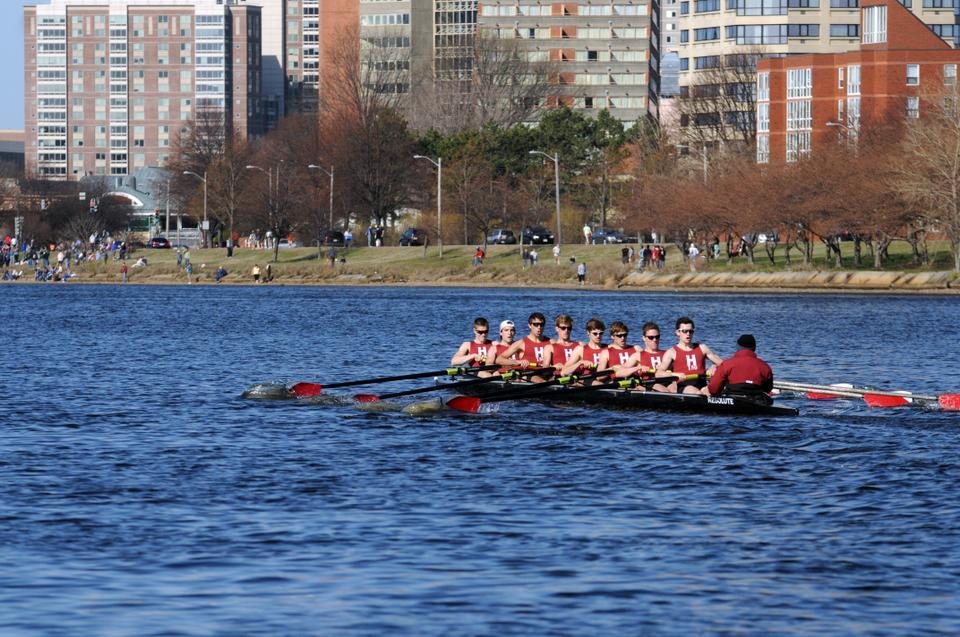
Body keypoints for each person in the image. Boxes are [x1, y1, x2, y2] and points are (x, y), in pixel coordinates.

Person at [655, 316, 724, 395]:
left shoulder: (702, 348)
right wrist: (675, 374)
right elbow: (658, 374)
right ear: (677, 332)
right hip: (684, 386)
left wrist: (714, 366)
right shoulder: (671, 352)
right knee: (698, 393)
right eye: (684, 331)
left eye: (690, 331)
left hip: (702, 384)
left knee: (711, 392)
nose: (688, 334)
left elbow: (722, 363)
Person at [706, 334, 773, 398]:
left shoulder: (726, 364)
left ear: (737, 347)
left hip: (731, 401)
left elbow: (713, 389)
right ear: (754, 348)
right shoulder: (765, 366)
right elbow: (768, 389)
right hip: (756, 401)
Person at [496, 312, 552, 379]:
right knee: (535, 378)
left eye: (541, 324)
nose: (539, 327)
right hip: (530, 376)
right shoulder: (521, 343)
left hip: (547, 374)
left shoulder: (551, 342)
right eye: (536, 324)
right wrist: (517, 362)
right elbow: (499, 359)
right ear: (529, 325)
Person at [616, 322, 668, 391]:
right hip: (649, 384)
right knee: (658, 386)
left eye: (657, 337)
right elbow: (619, 373)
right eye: (651, 337)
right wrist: (638, 368)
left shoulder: (667, 353)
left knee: (674, 387)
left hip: (666, 382)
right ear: (644, 338)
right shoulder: (637, 356)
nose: (655, 340)